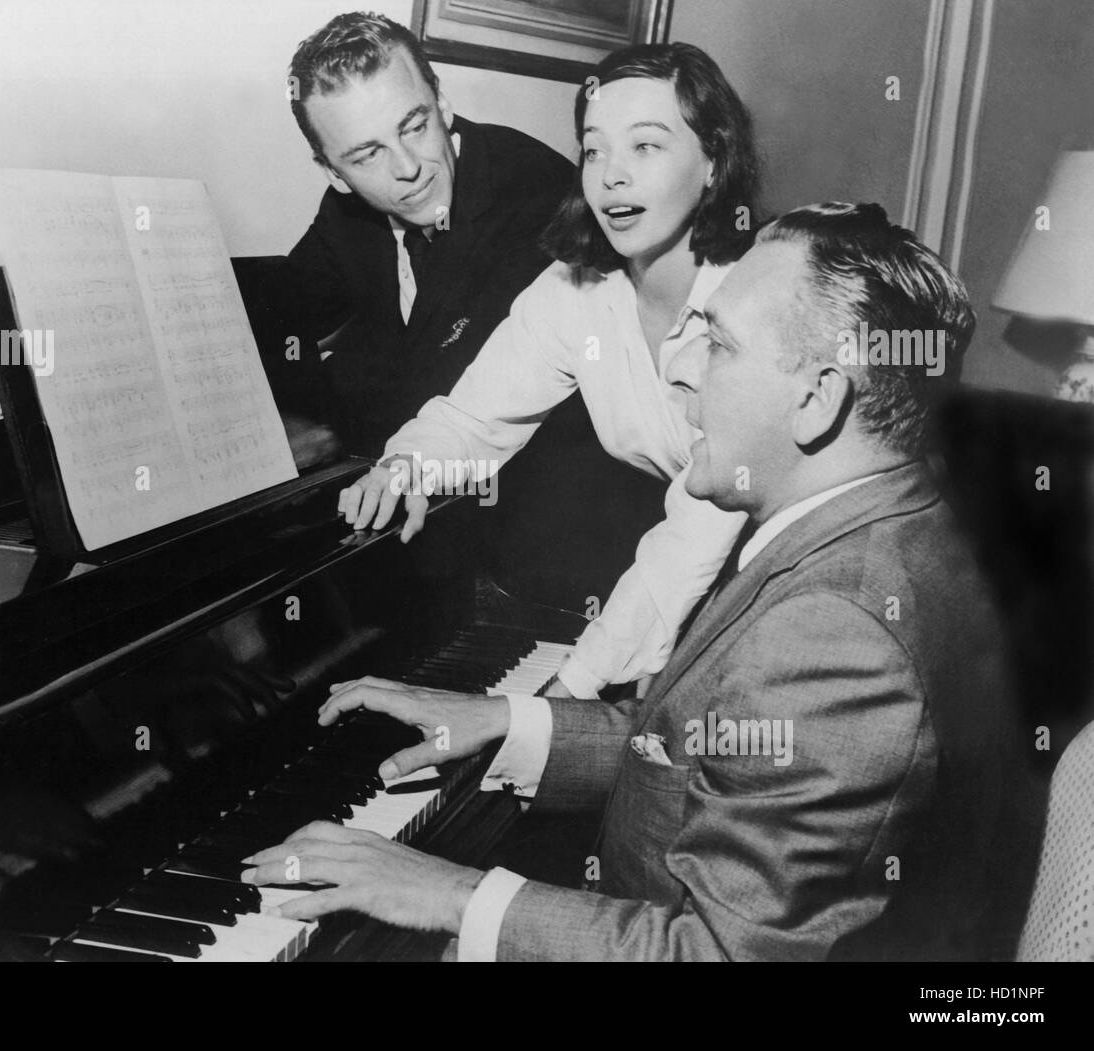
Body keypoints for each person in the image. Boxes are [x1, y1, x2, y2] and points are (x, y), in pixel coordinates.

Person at [242, 202, 1026, 961]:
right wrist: (512, 722)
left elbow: (718, 954)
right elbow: (721, 751)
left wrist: (449, 893)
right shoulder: (886, 528)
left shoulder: (839, 630)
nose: (677, 371)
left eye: (718, 344)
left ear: (818, 400)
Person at [337, 41, 760, 698]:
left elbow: (702, 519)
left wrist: (572, 688)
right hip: (696, 579)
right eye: (594, 150)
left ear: (713, 160)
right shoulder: (577, 290)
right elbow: (476, 415)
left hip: (798, 578)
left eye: (645, 146)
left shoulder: (755, 302)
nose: (611, 176)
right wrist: (407, 466)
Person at [264, 11, 659, 609]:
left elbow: (463, 398)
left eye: (414, 126)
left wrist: (329, 428)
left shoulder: (538, 200)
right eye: (366, 154)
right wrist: (275, 420)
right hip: (425, 503)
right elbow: (281, 314)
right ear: (333, 172)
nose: (406, 168)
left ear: (442, 104)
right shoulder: (347, 212)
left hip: (553, 554)